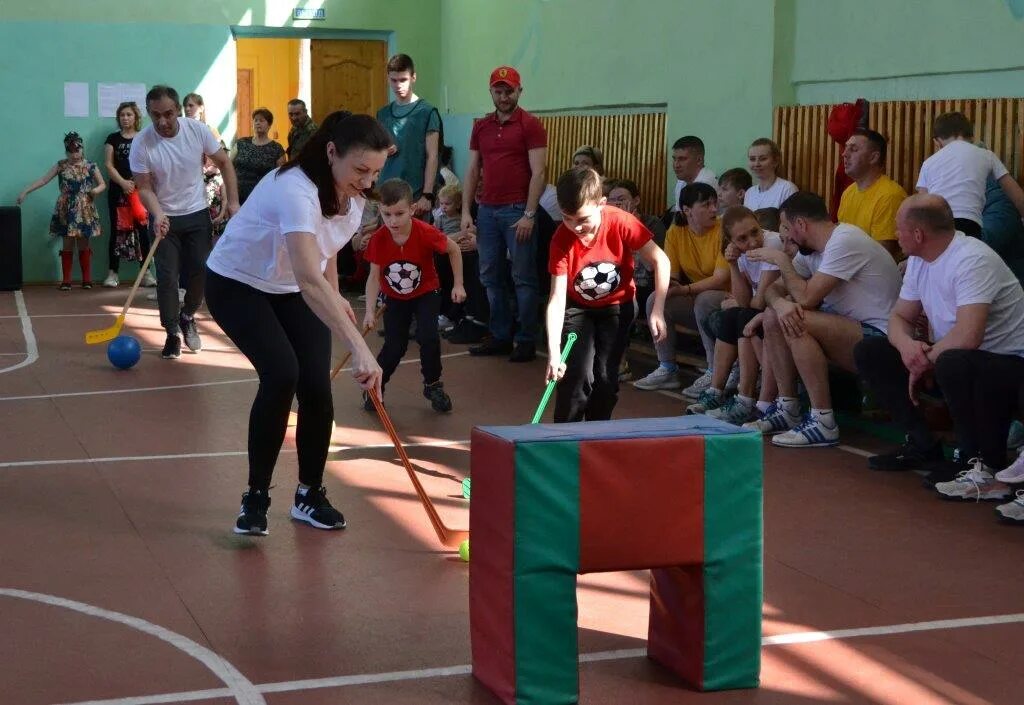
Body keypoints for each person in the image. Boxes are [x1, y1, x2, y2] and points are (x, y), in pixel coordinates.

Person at [205, 111, 390, 536]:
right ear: (331, 153)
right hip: (237, 283)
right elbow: (308, 275)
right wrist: (360, 349)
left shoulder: (355, 196)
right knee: (281, 373)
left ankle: (309, 495)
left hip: (289, 285)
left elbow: (324, 252)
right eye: (361, 169)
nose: (367, 180)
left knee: (315, 384)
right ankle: (256, 497)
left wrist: (336, 294)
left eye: (376, 171)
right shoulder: (294, 188)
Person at [853, 195, 1024, 504]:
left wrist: (924, 361)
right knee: (871, 351)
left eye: (898, 228)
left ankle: (982, 462)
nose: (896, 235)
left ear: (918, 234)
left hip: (1007, 364)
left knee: (952, 362)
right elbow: (898, 317)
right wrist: (907, 348)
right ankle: (921, 444)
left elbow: (969, 335)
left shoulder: (972, 258)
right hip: (956, 355)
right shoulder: (920, 261)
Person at [743, 191, 901, 447]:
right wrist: (781, 304)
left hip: (883, 341)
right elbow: (773, 291)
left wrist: (783, 261)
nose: (788, 239)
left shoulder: (844, 240)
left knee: (798, 320)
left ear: (801, 225)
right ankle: (788, 408)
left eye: (788, 229)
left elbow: (805, 299)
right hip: (852, 335)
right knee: (774, 316)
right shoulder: (811, 252)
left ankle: (823, 421)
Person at [545, 168, 669, 422]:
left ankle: (595, 434)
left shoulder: (621, 221)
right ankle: (564, 437)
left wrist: (657, 309)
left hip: (617, 308)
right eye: (567, 218)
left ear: (601, 204)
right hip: (579, 309)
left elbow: (661, 260)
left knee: (605, 378)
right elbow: (557, 299)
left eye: (582, 219)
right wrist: (554, 352)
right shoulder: (561, 238)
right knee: (574, 376)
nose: (575, 226)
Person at [130, 85, 239, 359]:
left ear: (178, 110)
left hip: (196, 213)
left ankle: (188, 315)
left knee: (202, 269)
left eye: (168, 114)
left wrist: (234, 203)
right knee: (167, 277)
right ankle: (171, 333)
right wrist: (157, 213)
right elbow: (142, 186)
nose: (163, 122)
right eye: (156, 116)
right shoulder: (141, 142)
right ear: (149, 114)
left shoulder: (197, 131)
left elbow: (225, 163)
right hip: (163, 217)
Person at [461, 65, 548, 362]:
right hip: (487, 209)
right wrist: (465, 210)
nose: (503, 96)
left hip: (516, 210)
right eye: (498, 91)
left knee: (523, 276)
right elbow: (472, 170)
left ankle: (525, 339)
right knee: (489, 275)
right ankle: (500, 335)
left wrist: (529, 213)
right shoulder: (481, 126)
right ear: (491, 92)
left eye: (509, 90)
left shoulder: (530, 125)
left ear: (519, 91)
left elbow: (539, 173)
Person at [363, 178, 465, 412]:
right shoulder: (379, 238)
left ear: (412, 209)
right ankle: (375, 388)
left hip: (426, 292)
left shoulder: (425, 232)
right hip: (395, 298)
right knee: (394, 346)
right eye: (387, 214)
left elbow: (454, 249)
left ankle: (433, 385)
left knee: (428, 336)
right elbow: (373, 277)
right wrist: (369, 310)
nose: (392, 221)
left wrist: (458, 284)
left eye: (399, 214)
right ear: (380, 210)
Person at [686, 206, 785, 425]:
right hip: (761, 310)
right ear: (731, 241)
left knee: (743, 317)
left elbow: (759, 301)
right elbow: (742, 301)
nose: (752, 242)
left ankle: (746, 399)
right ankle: (716, 391)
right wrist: (732, 263)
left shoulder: (773, 244)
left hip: (778, 310)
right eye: (742, 239)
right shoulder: (738, 254)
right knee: (732, 316)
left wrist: (741, 303)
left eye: (755, 232)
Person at [633, 182, 730, 398]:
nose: (714, 209)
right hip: (695, 298)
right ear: (687, 211)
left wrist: (684, 289)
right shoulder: (676, 231)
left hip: (726, 300)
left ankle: (714, 371)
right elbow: (672, 274)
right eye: (706, 205)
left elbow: (720, 279)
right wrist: (671, 287)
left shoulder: (724, 229)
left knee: (704, 300)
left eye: (715, 204)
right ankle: (667, 368)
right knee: (655, 299)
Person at [17, 132, 106, 290]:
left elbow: (102, 184)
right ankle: (66, 281)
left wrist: (95, 191)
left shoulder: (91, 165)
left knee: (84, 243)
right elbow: (43, 180)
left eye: (77, 150)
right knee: (67, 243)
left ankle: (87, 279)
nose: (74, 154)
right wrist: (26, 191)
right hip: (66, 209)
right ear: (66, 151)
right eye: (70, 151)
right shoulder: (61, 165)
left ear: (82, 148)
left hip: (85, 208)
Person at [916, 111, 1024, 237]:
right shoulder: (987, 155)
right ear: (972, 137)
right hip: (969, 222)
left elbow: (920, 204)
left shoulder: (928, 163)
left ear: (937, 142)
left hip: (936, 223)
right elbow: (1017, 195)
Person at [376, 54, 441, 217]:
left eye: (403, 80)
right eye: (394, 80)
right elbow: (374, 154)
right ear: (388, 78)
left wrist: (427, 194)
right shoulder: (383, 114)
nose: (398, 85)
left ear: (413, 77)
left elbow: (432, 156)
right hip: (386, 193)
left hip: (415, 195)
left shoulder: (426, 112)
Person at [102, 101, 151, 288]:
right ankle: (112, 273)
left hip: (139, 191)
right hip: (118, 191)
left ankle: (146, 273)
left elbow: (149, 163)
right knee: (116, 230)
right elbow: (108, 164)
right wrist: (123, 183)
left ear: (136, 117)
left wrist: (137, 183)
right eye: (122, 115)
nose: (125, 118)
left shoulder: (144, 137)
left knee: (143, 230)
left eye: (129, 114)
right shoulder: (112, 139)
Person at [837, 128, 906, 258]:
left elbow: (882, 254)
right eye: (846, 148)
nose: (844, 154)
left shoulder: (890, 195)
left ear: (874, 157)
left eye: (853, 149)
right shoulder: (848, 192)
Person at [232, 107, 286, 204]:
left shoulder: (276, 148)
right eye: (255, 120)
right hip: (238, 197)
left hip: (263, 198)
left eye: (261, 120)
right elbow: (228, 166)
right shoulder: (241, 143)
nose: (257, 123)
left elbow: (280, 177)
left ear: (269, 125)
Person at [743, 138, 798, 210]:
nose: (756, 164)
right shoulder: (749, 193)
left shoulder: (787, 189)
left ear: (775, 161)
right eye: (752, 159)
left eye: (763, 159)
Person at [669, 135, 717, 216]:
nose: (676, 165)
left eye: (682, 159)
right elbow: (680, 217)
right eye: (674, 159)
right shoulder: (681, 181)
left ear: (699, 160)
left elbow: (698, 224)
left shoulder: (706, 183)